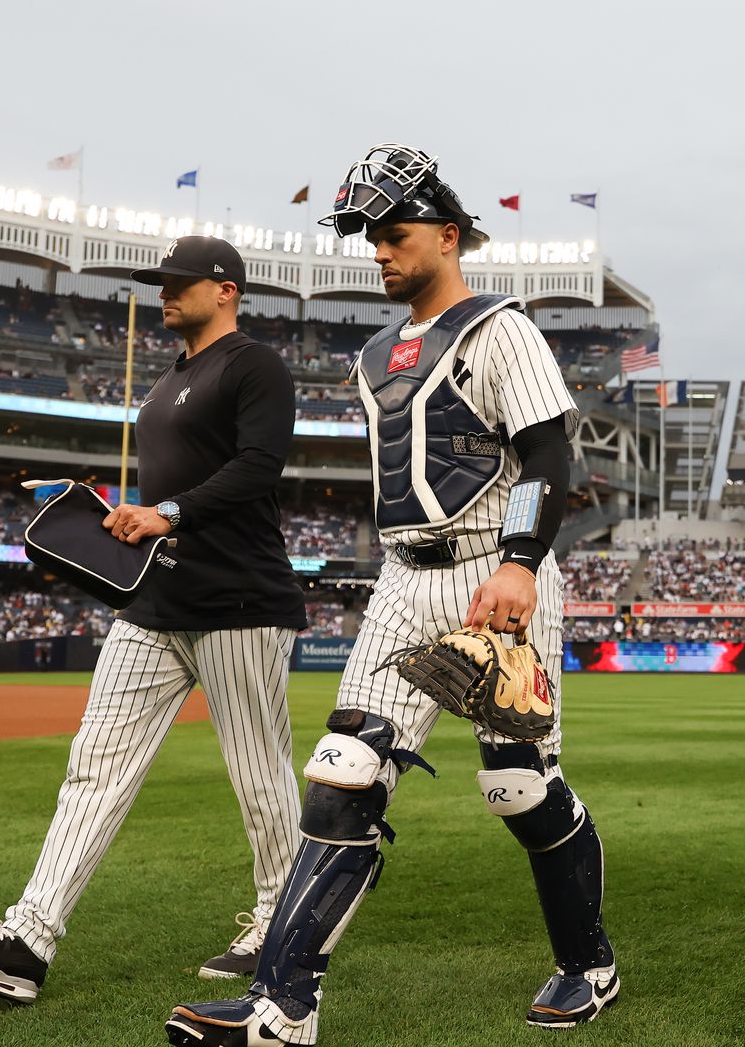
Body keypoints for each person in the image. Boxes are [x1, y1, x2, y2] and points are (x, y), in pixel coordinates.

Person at [169, 143, 614, 1047]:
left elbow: (548, 455)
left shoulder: (503, 330)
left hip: (496, 570)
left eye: (396, 233)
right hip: (405, 578)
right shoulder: (376, 353)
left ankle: (587, 965)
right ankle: (282, 1009)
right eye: (372, 237)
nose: (379, 250)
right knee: (341, 778)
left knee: (521, 788)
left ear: (449, 236)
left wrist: (524, 560)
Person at [0, 236, 310, 1003]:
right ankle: (27, 941)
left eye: (178, 282)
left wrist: (169, 511)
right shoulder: (167, 380)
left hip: (241, 603)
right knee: (93, 766)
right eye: (160, 283)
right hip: (155, 604)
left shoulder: (253, 365)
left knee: (259, 780)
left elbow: (260, 467)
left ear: (225, 289)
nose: (164, 292)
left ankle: (279, 929)